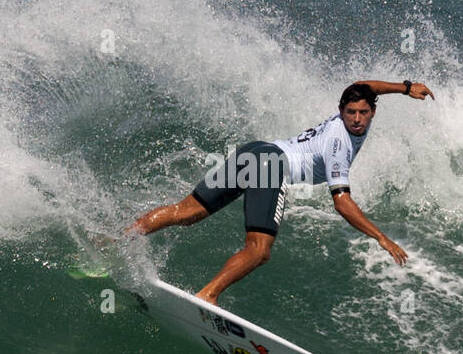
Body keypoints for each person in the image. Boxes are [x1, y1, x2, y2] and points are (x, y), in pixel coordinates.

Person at [124, 79, 435, 304]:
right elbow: (342, 202)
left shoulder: (353, 110)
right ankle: (208, 296)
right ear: (341, 110)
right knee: (259, 250)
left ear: (372, 112)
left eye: (362, 113)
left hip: (256, 150)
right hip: (271, 164)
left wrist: (405, 89)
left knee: (187, 212)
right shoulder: (339, 144)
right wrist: (381, 237)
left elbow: (365, 85)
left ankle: (117, 240)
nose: (356, 119)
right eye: (350, 112)